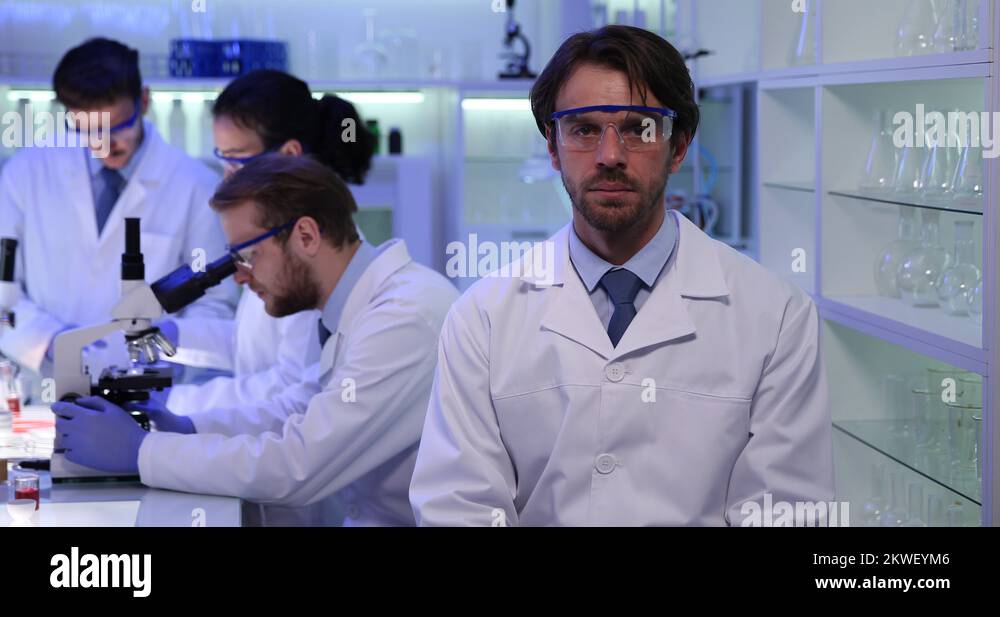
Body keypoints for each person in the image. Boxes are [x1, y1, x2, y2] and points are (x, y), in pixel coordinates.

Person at [409, 25, 833, 526]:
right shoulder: (482, 317)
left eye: (639, 128)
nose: (610, 156)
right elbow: (458, 509)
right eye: (584, 129)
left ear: (678, 147)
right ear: (553, 146)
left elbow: (784, 514)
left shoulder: (777, 317)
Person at [54, 155, 459, 526]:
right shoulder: (358, 310)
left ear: (305, 236)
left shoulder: (403, 317)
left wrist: (142, 452)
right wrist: (184, 428)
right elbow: (299, 408)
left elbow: (300, 465)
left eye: (245, 255)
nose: (239, 277)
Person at [0, 37, 236, 382]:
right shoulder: (25, 173)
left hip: (154, 386)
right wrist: (52, 343)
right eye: (89, 130)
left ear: (143, 101)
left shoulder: (195, 185)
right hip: (46, 383)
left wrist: (158, 349)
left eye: (117, 129)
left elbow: (215, 305)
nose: (105, 145)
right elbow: (4, 294)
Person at [162, 69, 376, 415]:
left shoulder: (311, 251)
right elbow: (248, 347)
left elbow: (291, 386)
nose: (227, 175)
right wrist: (168, 335)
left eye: (237, 160)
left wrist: (170, 404)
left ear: (289, 153)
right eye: (223, 159)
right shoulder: (275, 235)